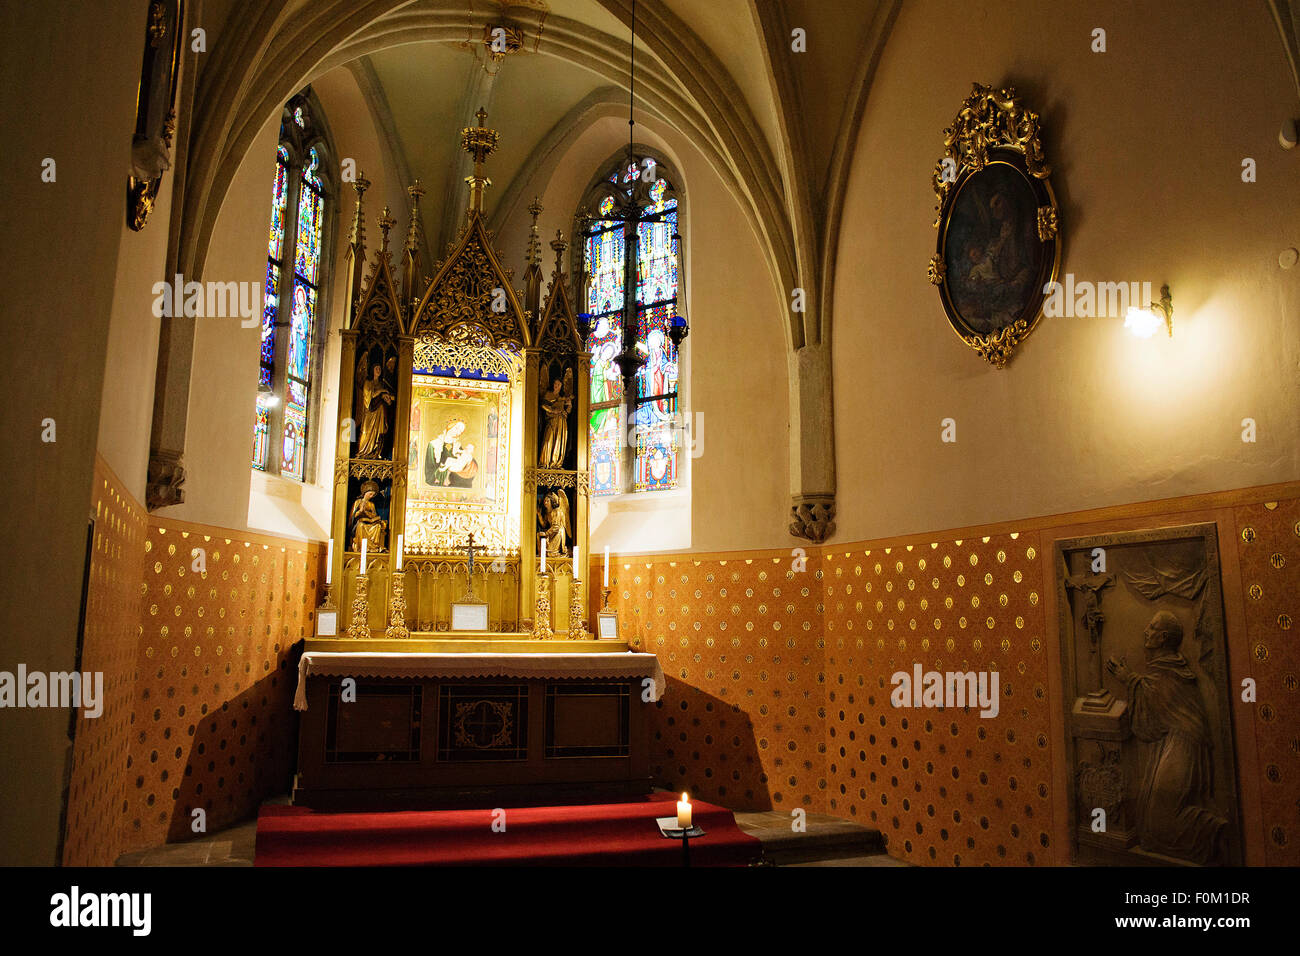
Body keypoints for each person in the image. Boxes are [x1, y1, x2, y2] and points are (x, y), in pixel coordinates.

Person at [1105, 611, 1227, 863]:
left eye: (1151, 628)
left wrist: (1129, 679)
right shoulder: (1165, 667)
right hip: (1172, 742)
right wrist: (1133, 681)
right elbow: (1156, 702)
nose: (1145, 632)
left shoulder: (1171, 670)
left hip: (1185, 744)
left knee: (1163, 817)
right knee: (1150, 820)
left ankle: (1217, 831)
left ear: (1162, 638)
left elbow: (1160, 702)